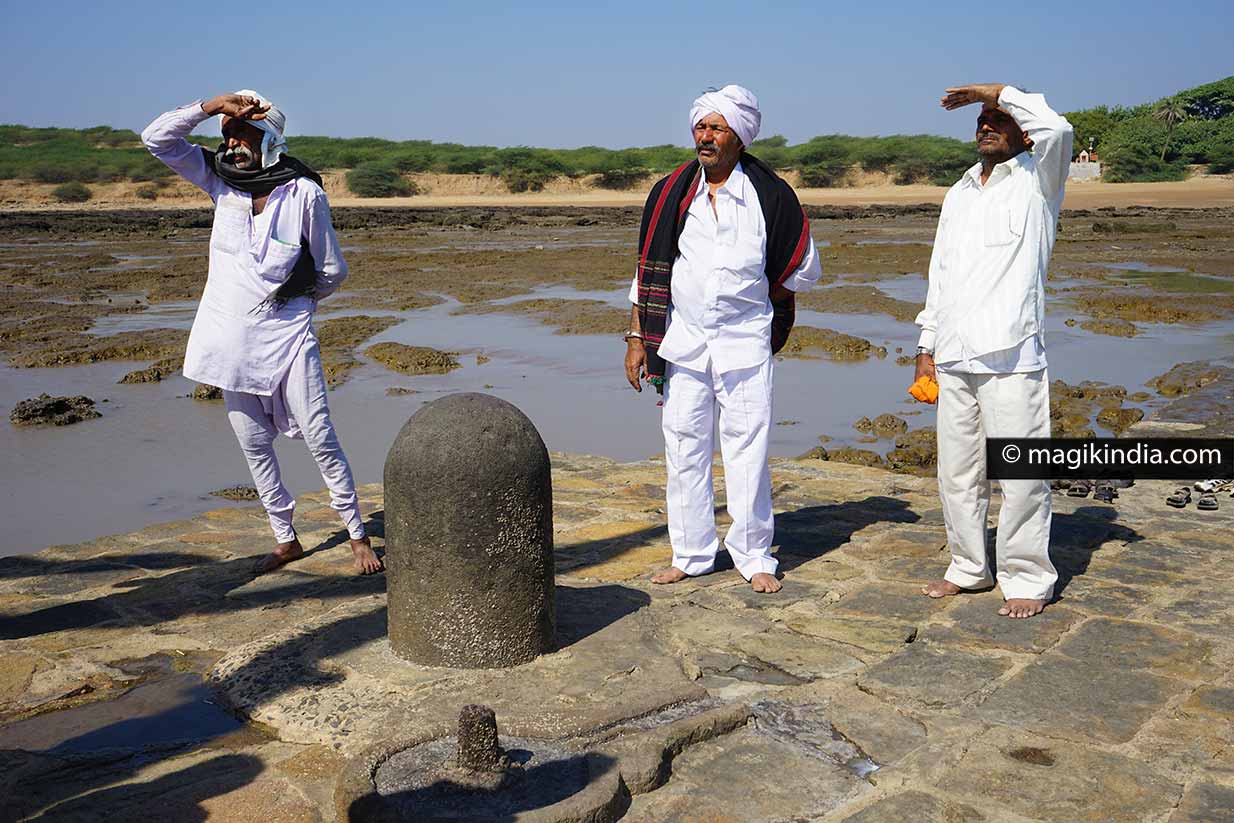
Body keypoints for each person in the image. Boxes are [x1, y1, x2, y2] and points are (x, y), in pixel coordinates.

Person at [142, 91, 382, 575]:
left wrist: (290, 305)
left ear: (270, 138)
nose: (231, 144)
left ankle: (357, 535)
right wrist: (212, 108)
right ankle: (285, 537)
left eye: (242, 134)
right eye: (228, 136)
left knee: (319, 434)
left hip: (290, 337)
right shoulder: (219, 182)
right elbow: (157, 140)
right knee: (253, 444)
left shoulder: (303, 193)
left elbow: (331, 269)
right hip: (228, 340)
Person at [624, 85, 822, 594]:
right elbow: (649, 267)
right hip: (685, 341)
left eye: (717, 128)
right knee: (684, 448)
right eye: (700, 127)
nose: (705, 137)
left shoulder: (771, 196)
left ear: (739, 136)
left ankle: (754, 554)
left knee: (747, 450)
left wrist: (763, 297)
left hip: (744, 343)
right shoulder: (672, 191)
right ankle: (690, 554)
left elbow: (802, 267)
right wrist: (636, 336)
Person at [914, 84, 1074, 618]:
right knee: (957, 472)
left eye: (998, 118)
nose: (985, 124)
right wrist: (926, 343)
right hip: (955, 353)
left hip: (1012, 352)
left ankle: (1028, 575)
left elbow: (1059, 129)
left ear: (1021, 130)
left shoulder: (1038, 179)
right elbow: (941, 273)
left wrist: (998, 90)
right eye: (982, 118)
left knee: (1023, 472)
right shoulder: (959, 190)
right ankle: (968, 567)